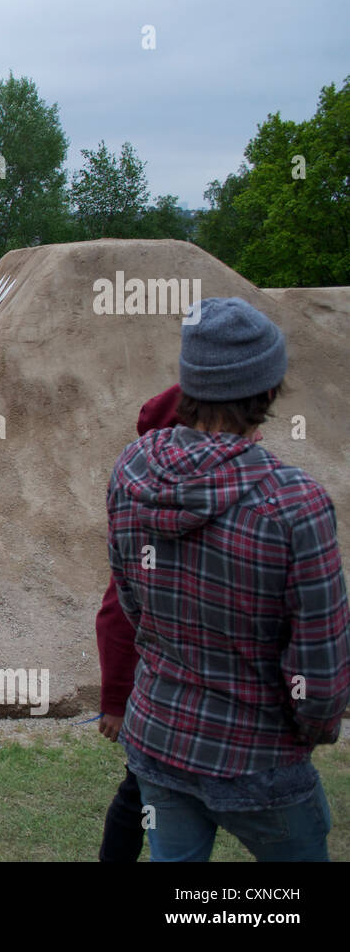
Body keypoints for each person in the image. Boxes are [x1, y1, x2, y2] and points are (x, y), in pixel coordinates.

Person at [108, 297, 350, 862]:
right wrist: (312, 728)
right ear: (268, 390)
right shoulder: (297, 503)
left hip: (159, 736)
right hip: (259, 755)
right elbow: (320, 659)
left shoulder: (132, 469)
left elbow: (131, 601)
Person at [95, 383, 181, 862]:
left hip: (163, 705)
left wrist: (116, 700)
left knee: (141, 796)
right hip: (203, 709)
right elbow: (117, 614)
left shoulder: (132, 485)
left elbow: (116, 612)